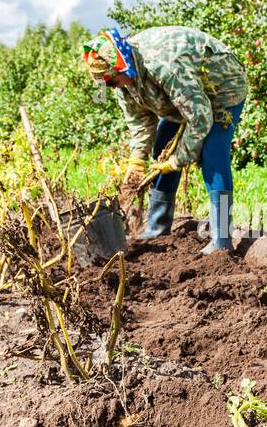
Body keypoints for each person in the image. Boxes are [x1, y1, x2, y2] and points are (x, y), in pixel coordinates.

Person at [82, 24, 248, 254]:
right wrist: (137, 163)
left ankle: (222, 240)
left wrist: (179, 159)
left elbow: (199, 118)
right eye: (106, 85)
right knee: (162, 148)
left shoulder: (163, 65)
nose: (111, 87)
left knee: (212, 155)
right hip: (180, 99)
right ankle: (157, 227)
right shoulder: (124, 82)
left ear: (121, 68)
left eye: (111, 81)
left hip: (220, 90)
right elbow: (141, 125)